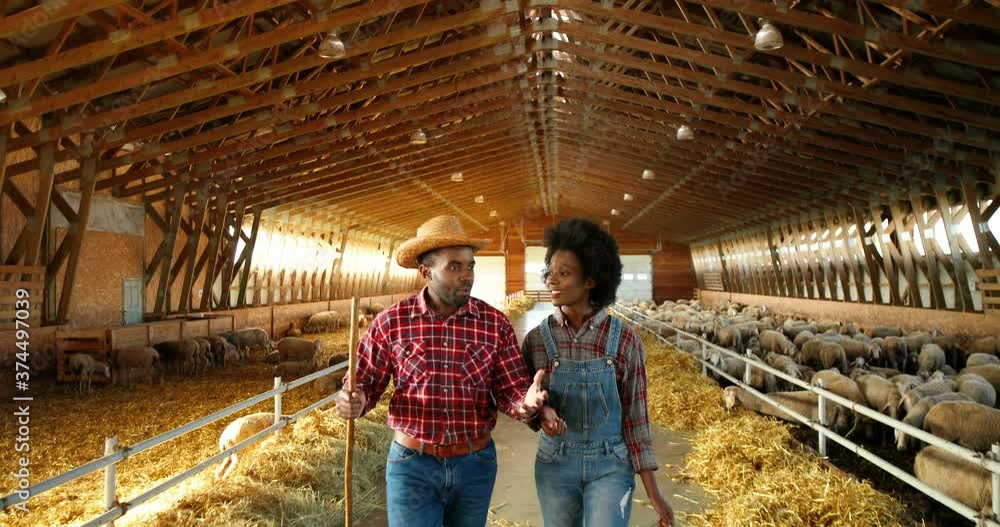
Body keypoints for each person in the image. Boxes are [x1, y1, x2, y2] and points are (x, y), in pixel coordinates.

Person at [335, 214, 548, 527]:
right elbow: (365, 383)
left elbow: (510, 390)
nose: (467, 276)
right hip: (412, 466)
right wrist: (353, 401)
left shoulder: (494, 324)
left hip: (475, 464)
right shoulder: (392, 323)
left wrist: (526, 403)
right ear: (426, 271)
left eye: (470, 266)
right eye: (455, 267)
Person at [522, 218, 675, 527]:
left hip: (611, 464)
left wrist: (655, 494)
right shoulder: (537, 340)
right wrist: (537, 412)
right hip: (555, 464)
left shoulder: (625, 341)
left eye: (564, 273)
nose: (551, 280)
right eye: (549, 272)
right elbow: (522, 405)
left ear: (591, 280)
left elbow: (637, 422)